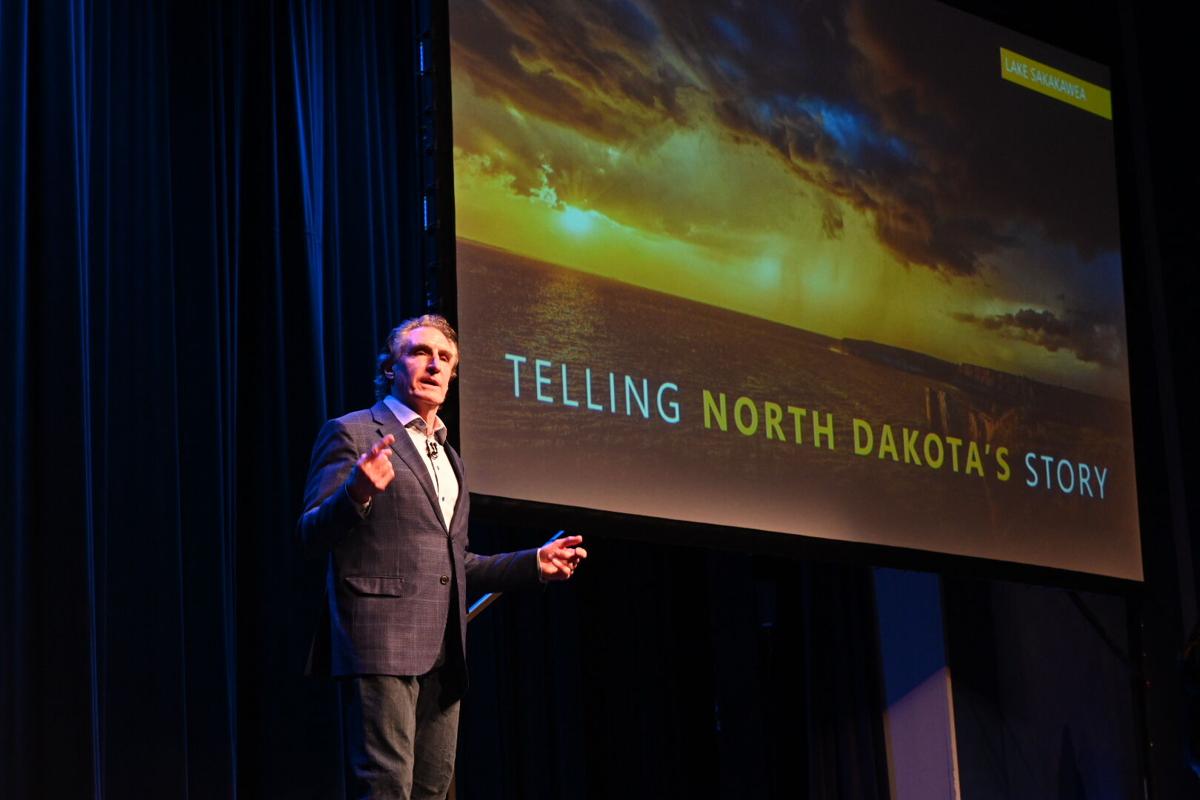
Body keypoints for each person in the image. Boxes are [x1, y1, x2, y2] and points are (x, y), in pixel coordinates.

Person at [298, 313, 586, 800]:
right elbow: (311, 532)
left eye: (445, 358)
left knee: (432, 789)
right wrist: (357, 493)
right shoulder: (352, 433)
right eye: (419, 353)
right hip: (380, 641)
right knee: (385, 787)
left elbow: (458, 563)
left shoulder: (451, 460)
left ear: (453, 376)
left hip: (445, 649)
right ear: (390, 367)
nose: (434, 364)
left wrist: (532, 563)